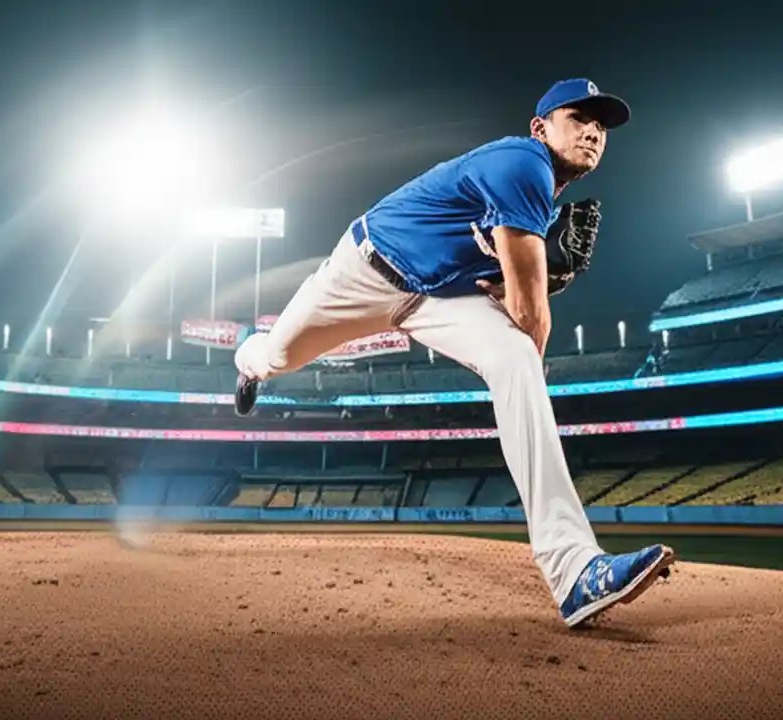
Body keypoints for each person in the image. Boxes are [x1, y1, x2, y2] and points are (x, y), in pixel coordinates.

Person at [233, 78, 674, 627]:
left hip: (435, 298)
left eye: (601, 125)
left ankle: (575, 570)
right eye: (578, 117)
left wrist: (520, 305)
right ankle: (247, 361)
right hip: (362, 274)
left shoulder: (541, 199)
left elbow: (505, 296)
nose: (593, 131)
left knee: (514, 358)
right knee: (279, 356)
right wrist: (533, 298)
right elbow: (530, 316)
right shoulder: (525, 164)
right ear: (540, 128)